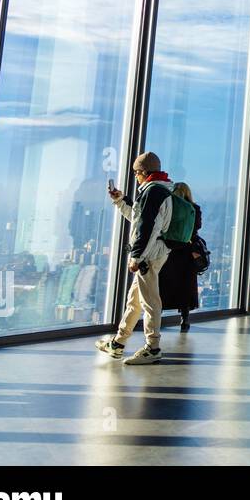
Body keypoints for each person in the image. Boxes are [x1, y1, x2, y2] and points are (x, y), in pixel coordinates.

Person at [97, 152, 181, 365]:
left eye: (136, 173)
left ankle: (153, 347)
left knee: (149, 301)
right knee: (134, 301)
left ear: (144, 172)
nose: (136, 177)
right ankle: (118, 343)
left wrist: (137, 256)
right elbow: (138, 219)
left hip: (149, 255)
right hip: (153, 252)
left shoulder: (153, 192)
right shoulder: (159, 190)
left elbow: (147, 228)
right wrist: (120, 200)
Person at [158, 181, 202, 333]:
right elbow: (196, 228)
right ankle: (184, 320)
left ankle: (156, 318)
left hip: (169, 250)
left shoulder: (170, 207)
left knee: (163, 284)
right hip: (187, 252)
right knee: (185, 287)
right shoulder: (194, 209)